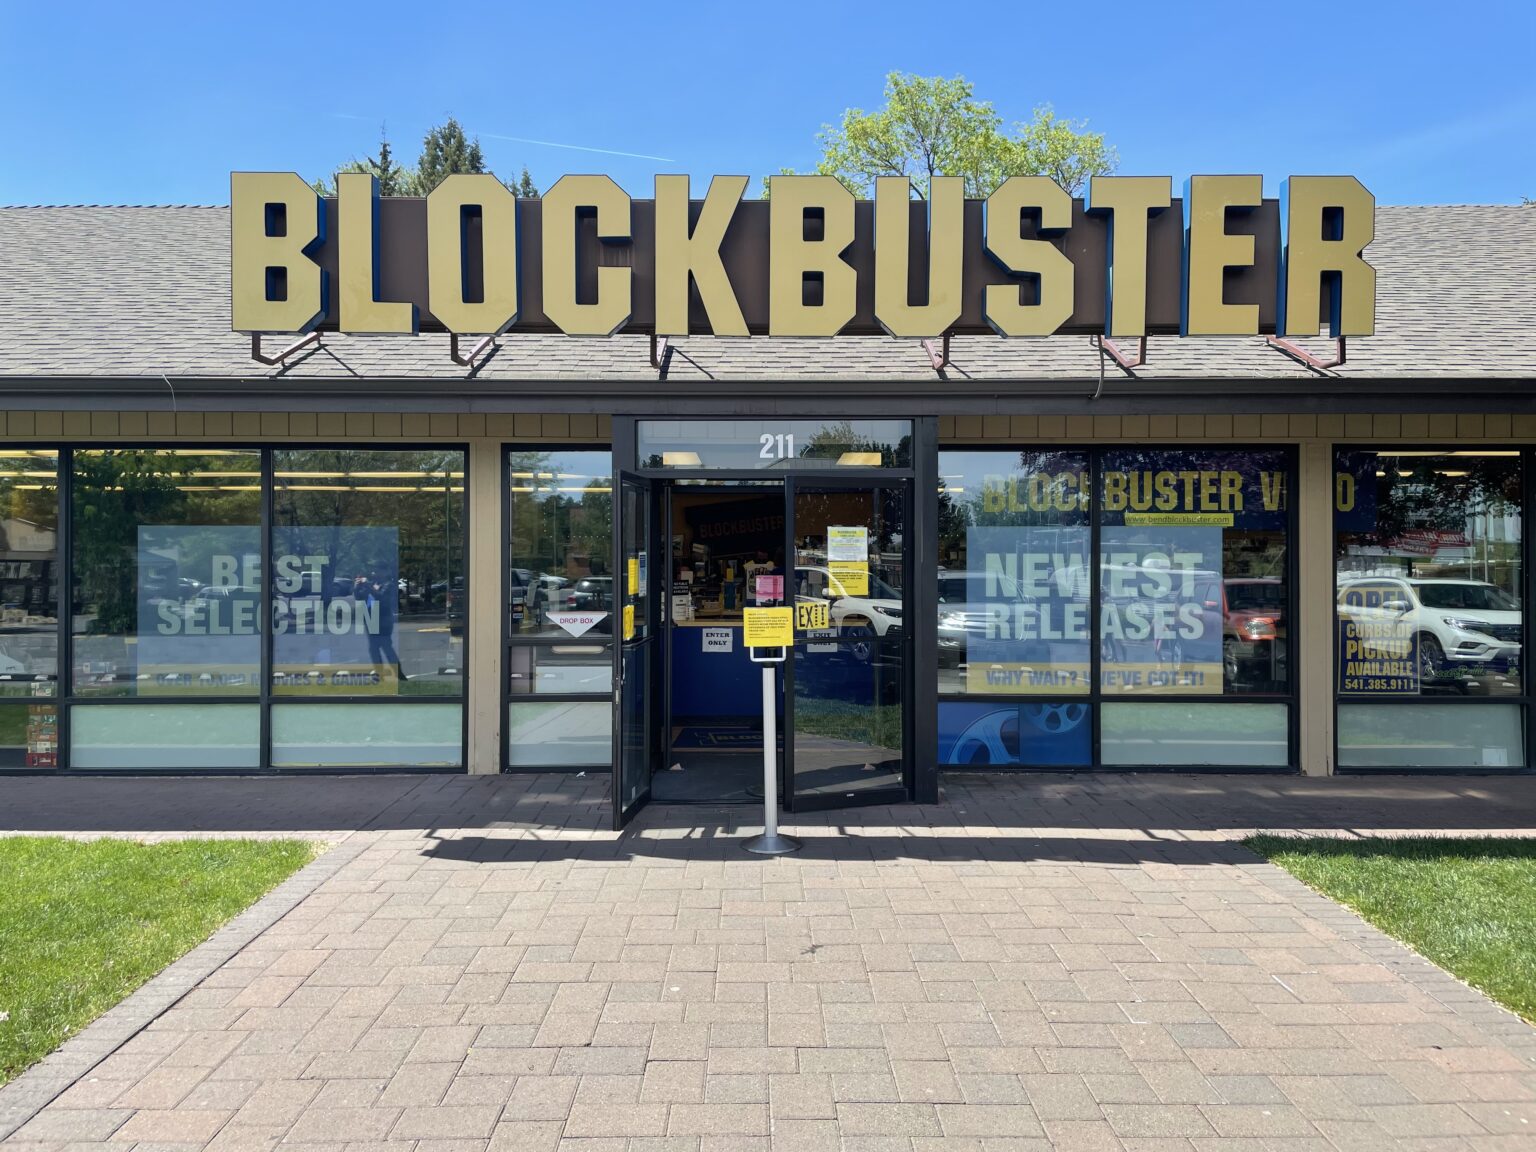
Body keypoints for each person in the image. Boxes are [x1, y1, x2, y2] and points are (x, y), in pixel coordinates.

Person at [355, 571, 403, 687]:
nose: (373, 573)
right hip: (371, 619)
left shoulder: (388, 585)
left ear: (383, 572)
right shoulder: (371, 584)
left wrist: (367, 585)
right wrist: (357, 586)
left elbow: (380, 597)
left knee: (386, 646)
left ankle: (399, 674)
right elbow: (359, 597)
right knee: (373, 649)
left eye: (377, 570)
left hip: (384, 620)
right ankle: (379, 674)